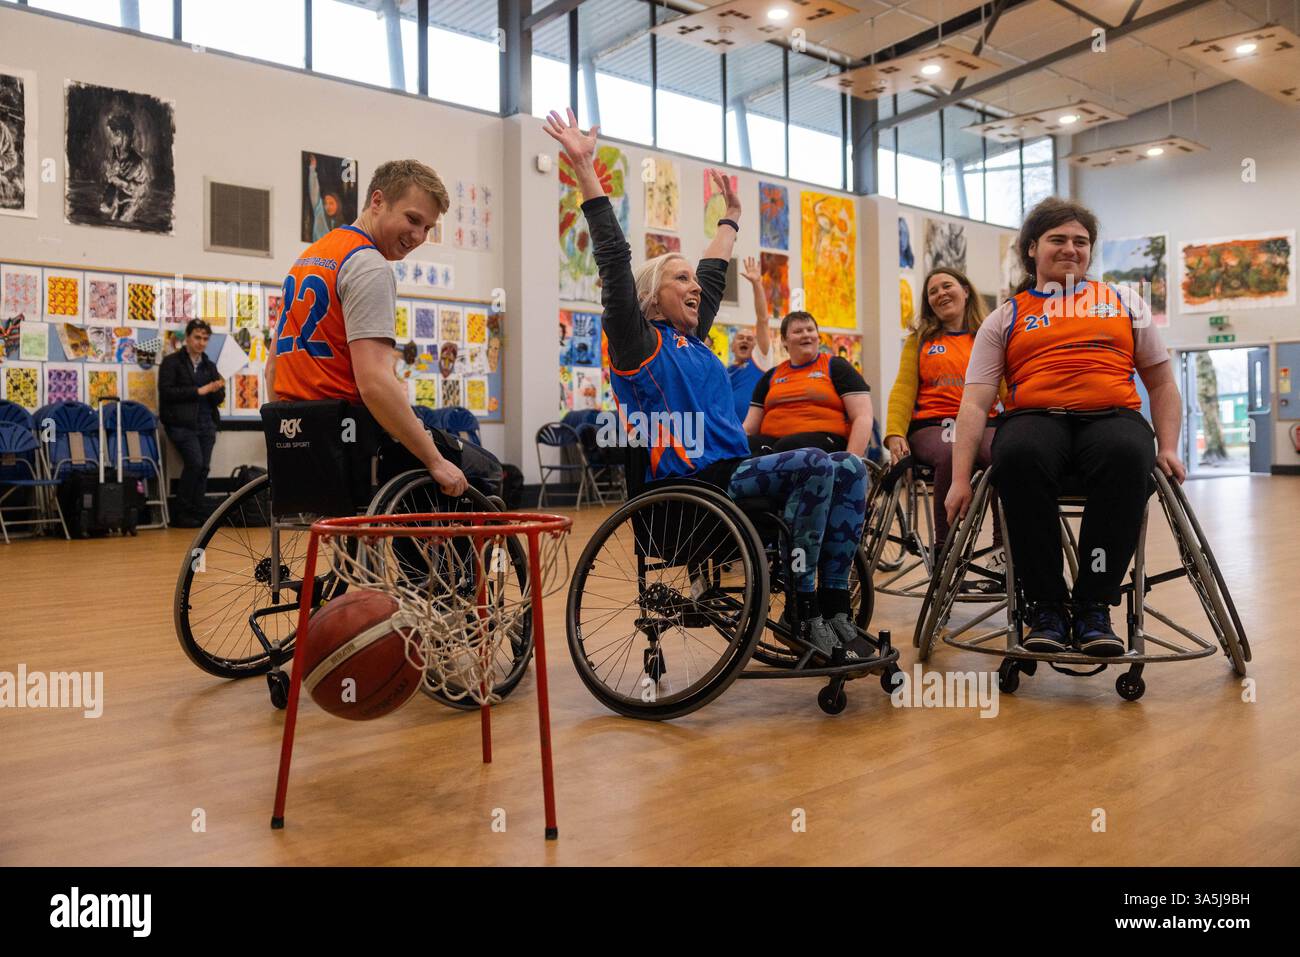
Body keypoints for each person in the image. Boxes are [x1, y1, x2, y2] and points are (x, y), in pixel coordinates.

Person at [544, 108, 867, 658]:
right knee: (816, 462)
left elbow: (713, 271)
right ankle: (803, 608)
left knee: (849, 466)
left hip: (731, 474)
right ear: (651, 297)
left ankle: (834, 608)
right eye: (680, 278)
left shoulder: (695, 340)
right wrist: (583, 165)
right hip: (693, 489)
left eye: (693, 279)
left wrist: (733, 216)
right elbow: (614, 259)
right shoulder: (638, 341)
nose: (695, 286)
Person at [945, 197, 1184, 657]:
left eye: (1081, 241)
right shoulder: (1006, 315)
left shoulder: (1124, 302)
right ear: (1031, 248)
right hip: (1036, 418)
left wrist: (1169, 446)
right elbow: (974, 404)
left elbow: (1162, 382)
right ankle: (1047, 606)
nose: (1071, 248)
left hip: (1112, 417)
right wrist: (959, 479)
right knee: (1016, 457)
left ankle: (1095, 605)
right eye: (1058, 239)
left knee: (1127, 455)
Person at [266, 159, 468, 498]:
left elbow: (273, 368)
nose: (418, 236)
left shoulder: (310, 257)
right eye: (412, 219)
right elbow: (374, 383)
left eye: (428, 228)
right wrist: (434, 461)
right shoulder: (368, 265)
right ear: (377, 201)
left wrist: (287, 434)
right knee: (479, 471)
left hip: (301, 435)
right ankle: (430, 553)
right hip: (353, 435)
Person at [884, 267, 1000, 549]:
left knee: (1004, 457)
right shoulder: (920, 339)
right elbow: (903, 389)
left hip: (985, 422)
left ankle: (1001, 550)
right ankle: (944, 548)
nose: (940, 294)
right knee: (952, 452)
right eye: (933, 291)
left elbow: (1007, 385)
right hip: (934, 425)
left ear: (965, 291)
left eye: (947, 286)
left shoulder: (988, 335)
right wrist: (894, 433)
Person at [743, 310, 873, 457]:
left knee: (788, 446)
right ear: (784, 340)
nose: (806, 334)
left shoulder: (836, 366)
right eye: (798, 331)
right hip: (775, 443)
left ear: (818, 337)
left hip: (825, 442)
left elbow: (863, 416)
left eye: (810, 330)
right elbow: (749, 427)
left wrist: (850, 461)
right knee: (741, 447)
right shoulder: (771, 376)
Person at [159, 319, 224, 527]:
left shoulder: (209, 365)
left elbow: (218, 397)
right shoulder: (172, 362)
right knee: (194, 464)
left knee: (203, 467)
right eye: (197, 337)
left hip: (206, 423)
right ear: (187, 338)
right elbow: (167, 392)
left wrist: (217, 389)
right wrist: (199, 391)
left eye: (205, 339)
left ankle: (198, 512)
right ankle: (181, 513)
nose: (201, 342)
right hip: (181, 424)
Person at [726, 256, 773, 423]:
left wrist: (756, 284)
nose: (745, 340)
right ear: (732, 346)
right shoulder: (726, 371)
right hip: (729, 433)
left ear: (756, 345)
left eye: (749, 338)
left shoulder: (761, 360)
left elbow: (762, 319)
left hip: (754, 434)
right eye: (740, 338)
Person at [101, 113, 150, 222]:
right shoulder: (114, 154)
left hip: (133, 203)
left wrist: (122, 183)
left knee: (122, 221)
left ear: (119, 134)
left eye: (110, 134)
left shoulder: (137, 163)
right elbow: (112, 180)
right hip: (118, 201)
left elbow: (142, 191)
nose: (108, 138)